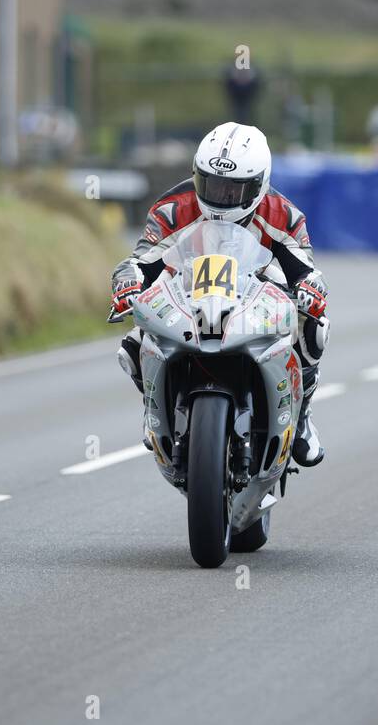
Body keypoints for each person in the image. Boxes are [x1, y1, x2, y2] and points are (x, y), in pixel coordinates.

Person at [110, 122, 329, 467]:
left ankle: (300, 418)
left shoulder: (283, 215)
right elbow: (142, 259)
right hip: (187, 289)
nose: (221, 197)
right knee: (134, 341)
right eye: (211, 184)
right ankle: (155, 409)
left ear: (259, 185)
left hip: (255, 291)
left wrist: (310, 288)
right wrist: (128, 281)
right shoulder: (173, 208)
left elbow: (304, 269)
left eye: (233, 189)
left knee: (316, 326)